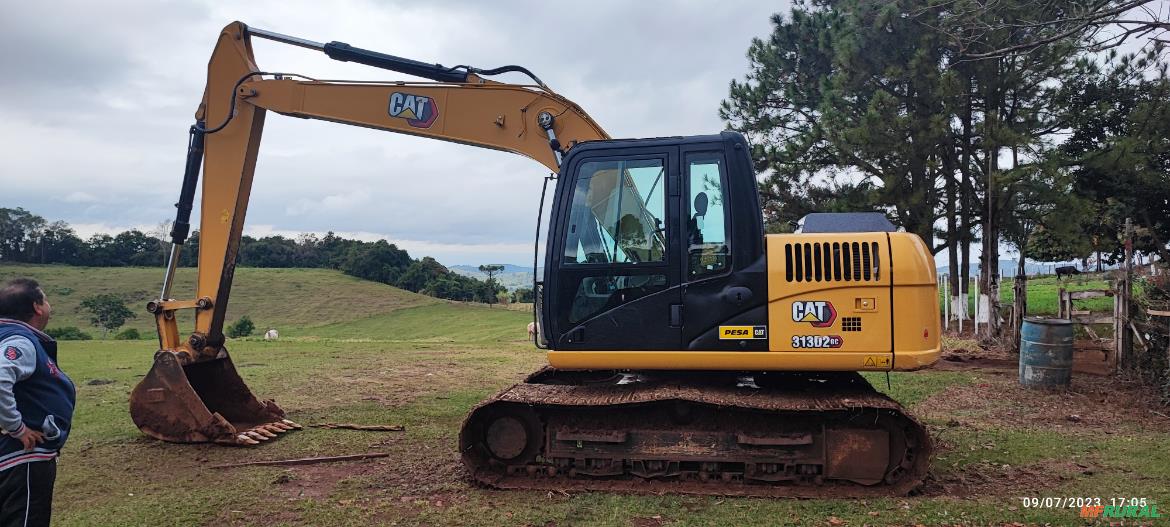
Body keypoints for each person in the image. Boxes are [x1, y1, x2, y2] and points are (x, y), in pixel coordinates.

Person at [0, 278, 75, 527]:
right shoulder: (20, 341)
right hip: (22, 458)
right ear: (37, 306)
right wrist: (17, 427)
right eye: (45, 299)